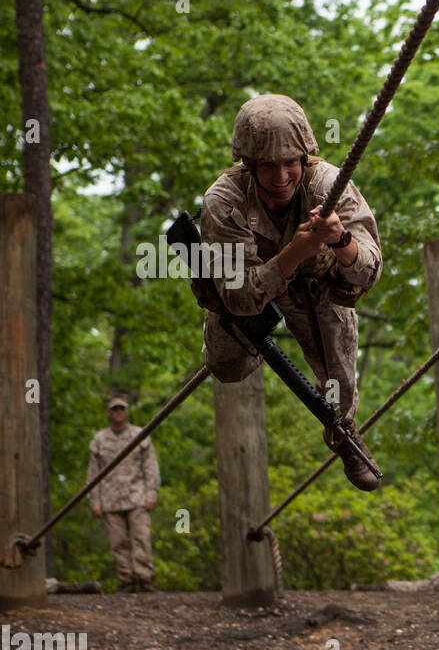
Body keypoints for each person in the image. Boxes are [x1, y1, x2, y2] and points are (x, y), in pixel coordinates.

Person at [198, 93, 384, 491]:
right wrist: (294, 252)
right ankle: (255, 347)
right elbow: (239, 295)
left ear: (304, 158)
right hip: (250, 288)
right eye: (268, 166)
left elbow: (369, 272)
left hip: (313, 287)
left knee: (338, 385)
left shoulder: (329, 184)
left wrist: (340, 239)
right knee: (226, 367)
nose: (281, 176)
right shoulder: (223, 201)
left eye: (290, 163)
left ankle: (344, 433)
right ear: (248, 165)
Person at [88, 394, 161, 592]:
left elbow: (150, 467)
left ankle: (146, 579)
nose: (118, 412)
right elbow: (93, 473)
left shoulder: (140, 435)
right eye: (115, 409)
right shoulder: (99, 440)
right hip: (110, 498)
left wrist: (151, 493)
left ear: (127, 411)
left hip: (137, 496)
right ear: (108, 412)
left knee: (141, 538)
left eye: (122, 409)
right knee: (118, 542)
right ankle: (126, 580)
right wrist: (94, 501)